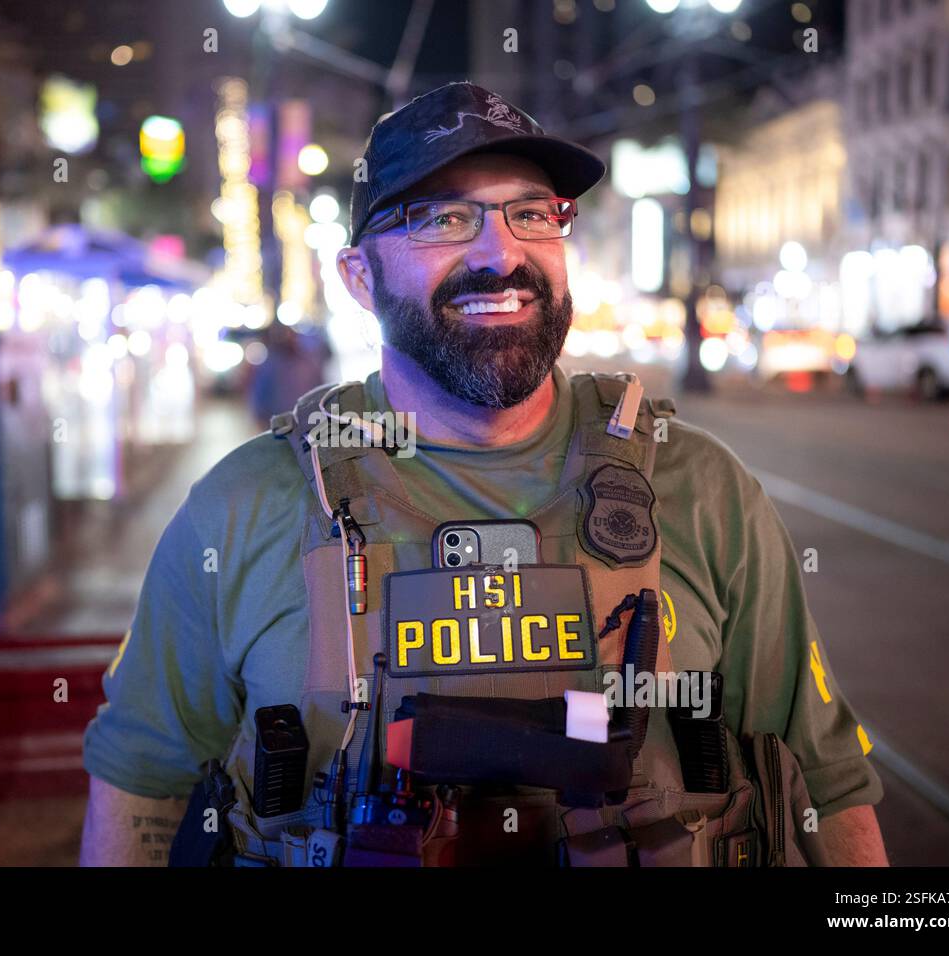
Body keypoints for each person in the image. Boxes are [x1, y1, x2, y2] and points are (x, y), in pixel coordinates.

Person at [79, 82, 886, 867]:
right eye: (442, 219)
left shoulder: (705, 490)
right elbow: (143, 785)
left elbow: (825, 779)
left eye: (532, 213)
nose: (501, 253)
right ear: (360, 277)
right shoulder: (242, 508)